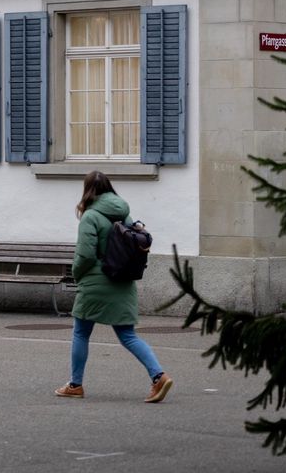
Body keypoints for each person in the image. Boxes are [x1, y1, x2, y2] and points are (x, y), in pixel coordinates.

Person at [54, 170, 173, 403]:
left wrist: (76, 273)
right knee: (128, 334)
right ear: (109, 188)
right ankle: (158, 376)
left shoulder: (90, 216)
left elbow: (86, 255)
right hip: (123, 280)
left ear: (88, 190)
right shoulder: (125, 215)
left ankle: (75, 385)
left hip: (96, 282)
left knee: (81, 332)